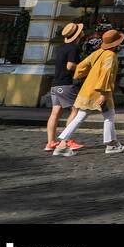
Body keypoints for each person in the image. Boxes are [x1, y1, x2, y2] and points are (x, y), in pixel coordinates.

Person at [54, 29, 124, 156]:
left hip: (88, 89)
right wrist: (103, 94)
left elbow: (80, 68)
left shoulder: (98, 53)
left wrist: (86, 75)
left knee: (81, 117)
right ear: (116, 44)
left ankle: (62, 143)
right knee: (109, 117)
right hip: (100, 91)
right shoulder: (110, 56)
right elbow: (106, 74)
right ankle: (111, 144)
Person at [44, 22, 85, 152]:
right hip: (66, 84)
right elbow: (70, 66)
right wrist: (83, 69)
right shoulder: (73, 48)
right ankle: (67, 140)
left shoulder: (61, 48)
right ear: (78, 35)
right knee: (75, 110)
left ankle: (50, 142)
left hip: (55, 84)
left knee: (55, 113)